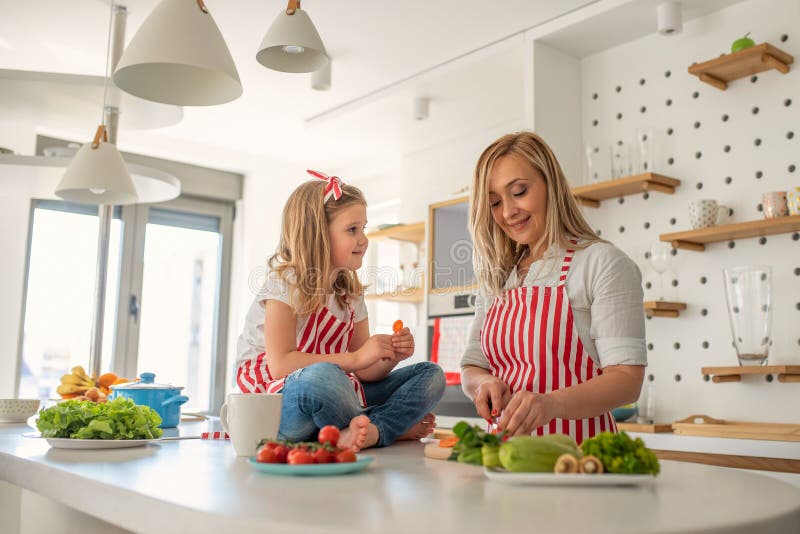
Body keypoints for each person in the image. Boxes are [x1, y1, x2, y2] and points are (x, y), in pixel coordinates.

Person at [236, 170, 445, 451]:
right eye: (352, 230)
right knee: (322, 376)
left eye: (363, 229)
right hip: (280, 402)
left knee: (431, 375)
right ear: (318, 234)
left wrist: (389, 356)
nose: (363, 239)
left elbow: (366, 372)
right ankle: (387, 427)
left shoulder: (350, 292)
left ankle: (366, 430)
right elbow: (280, 365)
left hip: (340, 394)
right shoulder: (283, 284)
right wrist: (358, 356)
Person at [460, 132, 646, 444]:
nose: (507, 212)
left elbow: (627, 381)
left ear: (551, 185)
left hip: (580, 461)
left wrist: (552, 404)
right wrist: (483, 384)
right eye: (494, 202)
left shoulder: (601, 263)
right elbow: (471, 366)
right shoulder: (498, 279)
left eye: (519, 192)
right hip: (504, 459)